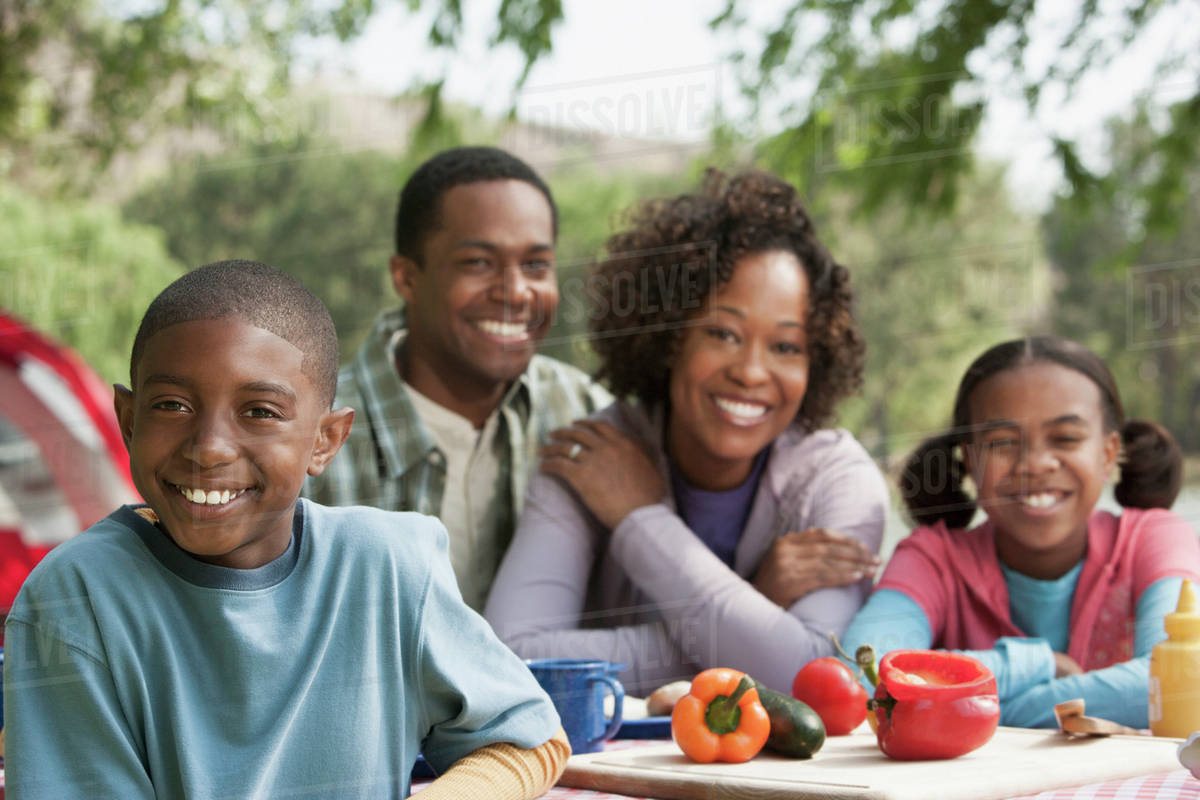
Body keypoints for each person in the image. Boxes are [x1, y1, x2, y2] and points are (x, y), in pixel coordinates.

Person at [2, 260, 568, 799]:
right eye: (172, 405)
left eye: (260, 412)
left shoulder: (388, 567)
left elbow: (527, 741)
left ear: (326, 440)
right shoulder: (75, 600)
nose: (210, 448)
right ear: (128, 420)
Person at [485, 169, 888, 696]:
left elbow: (811, 677)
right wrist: (751, 614)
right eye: (722, 334)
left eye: (786, 347)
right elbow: (510, 660)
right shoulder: (593, 457)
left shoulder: (838, 479)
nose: (751, 371)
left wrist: (640, 519)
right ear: (670, 335)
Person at [305, 146, 611, 611]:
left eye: (536, 265)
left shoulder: (588, 415)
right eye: (478, 263)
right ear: (407, 278)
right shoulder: (308, 437)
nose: (515, 292)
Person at [843, 335, 1200, 728]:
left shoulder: (1155, 539)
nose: (1034, 464)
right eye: (1002, 443)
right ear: (970, 461)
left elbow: (1179, 683)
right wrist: (1037, 663)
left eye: (1066, 438)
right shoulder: (932, 557)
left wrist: (987, 712)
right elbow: (862, 677)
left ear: (1108, 453)